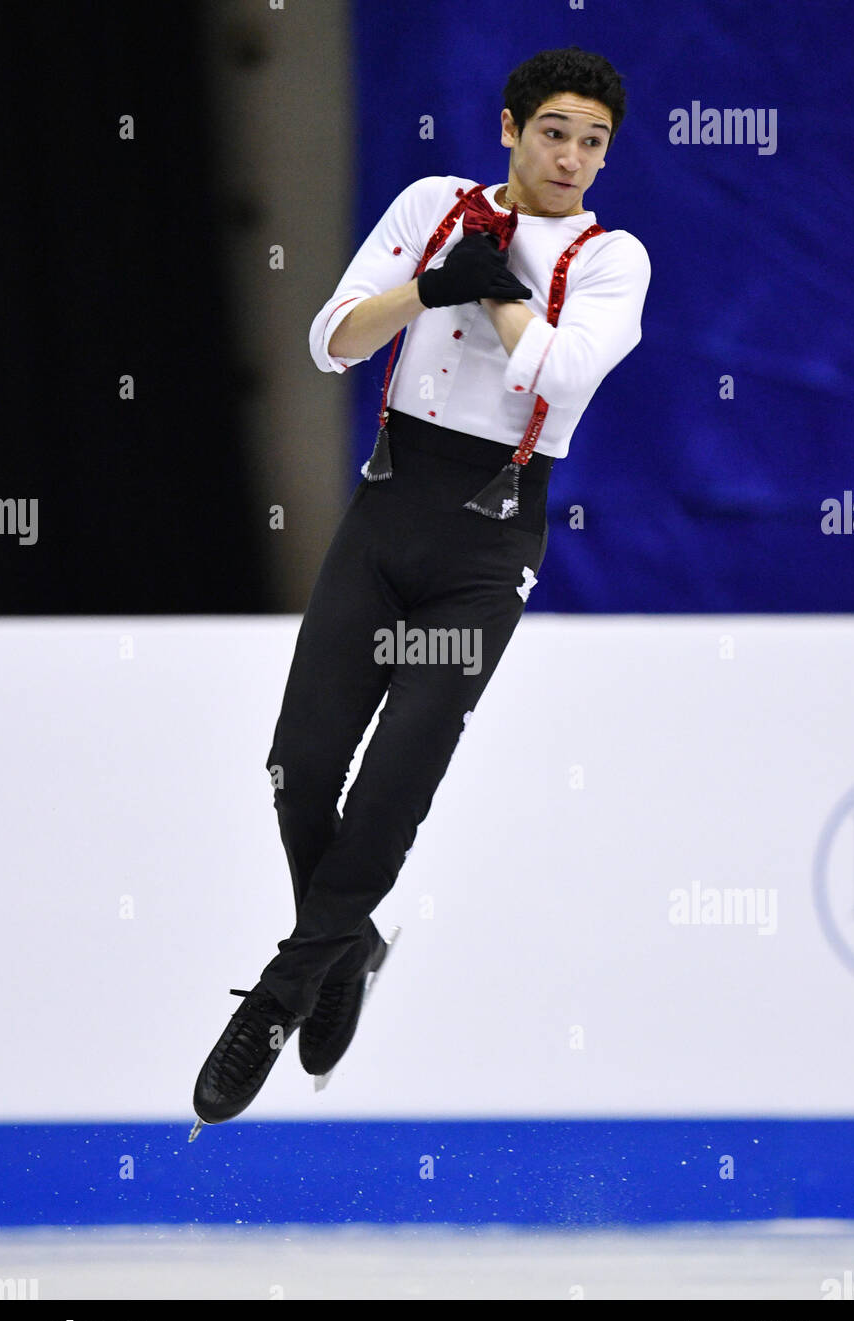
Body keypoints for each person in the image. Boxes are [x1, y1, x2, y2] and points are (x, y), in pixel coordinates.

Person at [191, 44, 651, 1132]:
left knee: (398, 773)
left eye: (592, 141)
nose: (572, 157)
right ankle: (347, 945)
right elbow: (330, 342)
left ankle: (282, 988)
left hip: (489, 542)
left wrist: (493, 295)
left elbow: (557, 375)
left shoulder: (608, 257)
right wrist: (432, 282)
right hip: (386, 509)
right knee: (298, 767)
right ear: (508, 128)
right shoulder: (432, 204)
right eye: (554, 132)